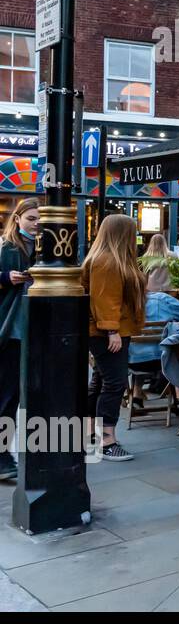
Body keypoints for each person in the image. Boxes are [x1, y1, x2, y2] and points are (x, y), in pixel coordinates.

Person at [83, 214, 148, 462]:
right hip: (108, 333)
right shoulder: (108, 261)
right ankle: (106, 441)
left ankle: (90, 434)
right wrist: (112, 331)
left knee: (101, 380)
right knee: (115, 382)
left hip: (109, 331)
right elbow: (105, 299)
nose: (136, 236)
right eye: (132, 232)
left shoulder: (109, 259)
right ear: (122, 235)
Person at [0, 197, 38, 479]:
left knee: (23, 395)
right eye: (31, 219)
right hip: (11, 329)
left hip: (31, 329)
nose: (36, 225)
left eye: (39, 220)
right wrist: (3, 277)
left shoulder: (42, 246)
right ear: (18, 218)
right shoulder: (8, 247)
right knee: (7, 396)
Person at [128, 290, 179, 414]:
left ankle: (136, 396)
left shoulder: (124, 303)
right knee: (173, 346)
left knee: (139, 349)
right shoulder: (162, 299)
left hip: (134, 363)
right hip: (164, 361)